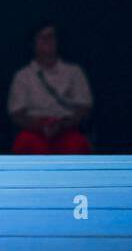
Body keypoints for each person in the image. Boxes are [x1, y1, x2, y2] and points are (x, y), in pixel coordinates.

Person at [7, 22, 93, 154]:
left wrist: (63, 125)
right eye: (42, 37)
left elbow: (84, 108)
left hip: (67, 129)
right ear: (33, 43)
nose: (47, 41)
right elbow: (17, 113)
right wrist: (40, 126)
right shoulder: (23, 75)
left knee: (77, 145)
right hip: (34, 130)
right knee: (25, 144)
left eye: (51, 37)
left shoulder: (74, 72)